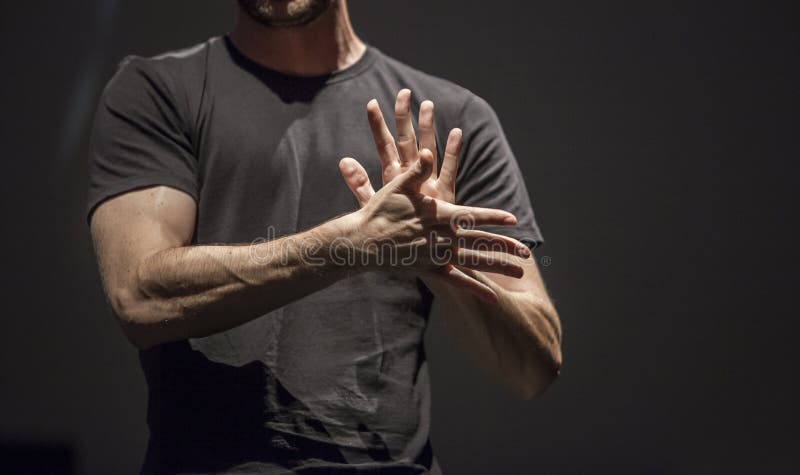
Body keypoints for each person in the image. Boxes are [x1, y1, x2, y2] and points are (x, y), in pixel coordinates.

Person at [87, 0, 562, 472]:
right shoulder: (157, 91)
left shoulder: (453, 118)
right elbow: (139, 296)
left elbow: (533, 368)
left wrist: (445, 267)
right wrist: (355, 243)